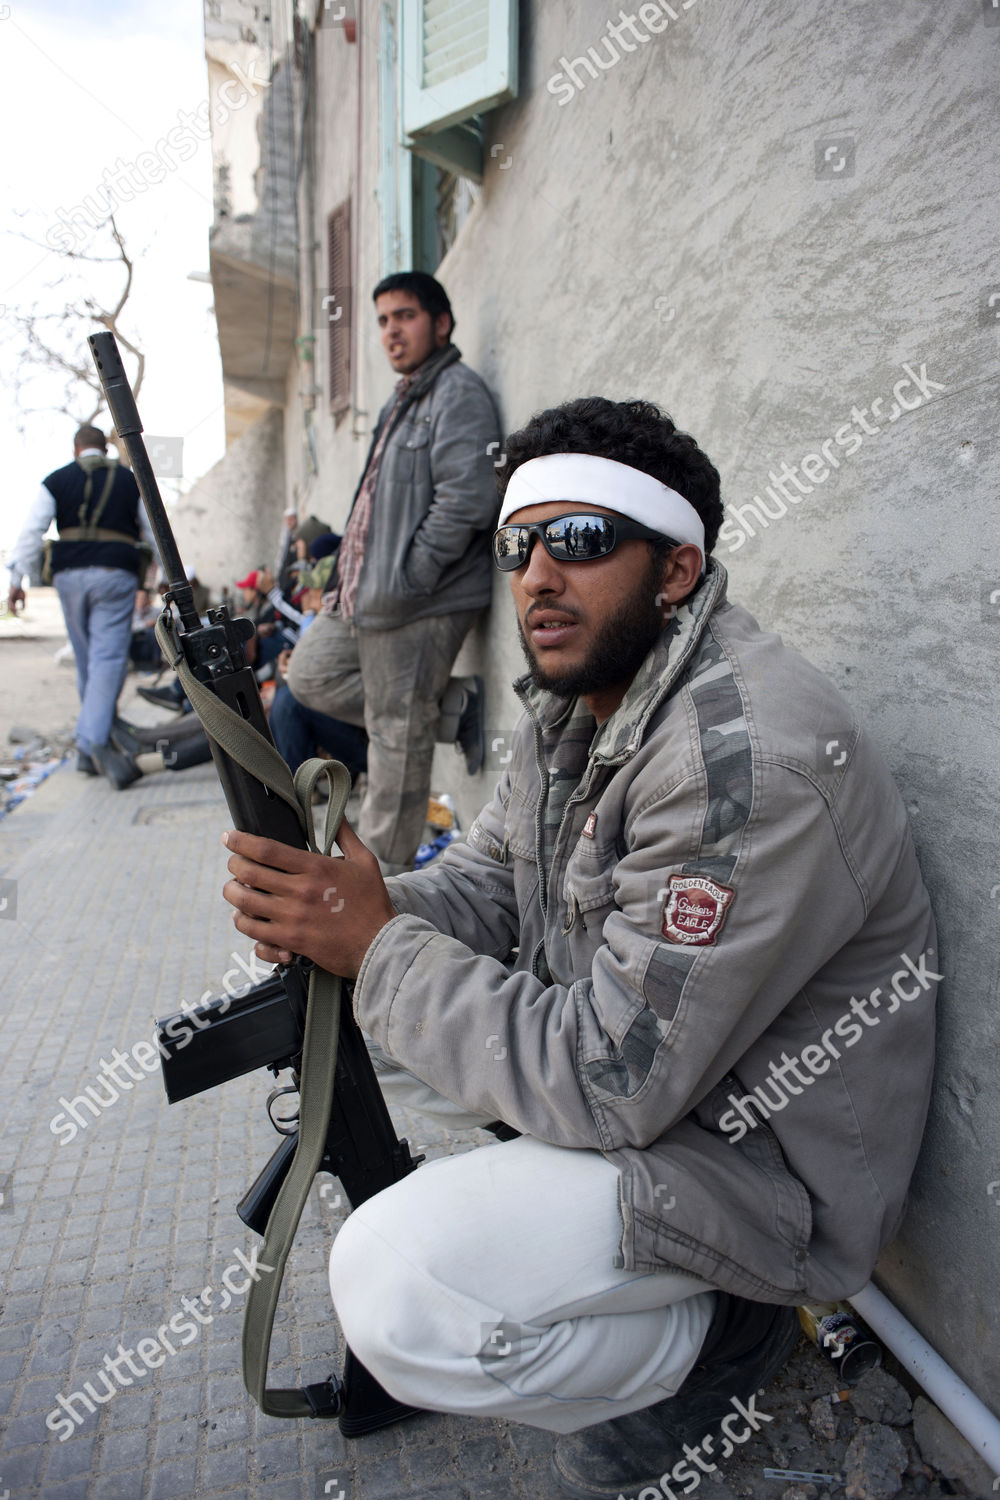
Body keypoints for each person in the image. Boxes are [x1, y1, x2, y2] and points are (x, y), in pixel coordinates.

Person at [220, 398, 937, 1499]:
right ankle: (622, 1269)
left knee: (395, 1282)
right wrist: (345, 910)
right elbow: (490, 883)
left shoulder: (743, 771)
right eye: (520, 544)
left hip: (766, 1177)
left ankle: (715, 1345)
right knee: (363, 1002)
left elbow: (608, 1084)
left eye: (585, 540)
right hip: (666, 1087)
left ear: (677, 570)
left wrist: (379, 945)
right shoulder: (582, 704)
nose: (539, 575)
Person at [284, 270, 499, 875]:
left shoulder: (457, 393)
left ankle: (383, 896)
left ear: (441, 323)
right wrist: (342, 583)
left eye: (404, 316)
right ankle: (448, 706)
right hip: (364, 598)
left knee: (396, 743)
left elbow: (469, 498)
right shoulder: (403, 401)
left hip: (418, 601)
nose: (390, 331)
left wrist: (408, 579)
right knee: (309, 675)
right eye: (381, 321)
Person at [7, 424, 154, 789]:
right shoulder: (128, 479)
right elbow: (153, 528)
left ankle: (90, 750)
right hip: (114, 575)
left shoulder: (56, 480)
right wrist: (165, 575)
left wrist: (15, 582)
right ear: (103, 449)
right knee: (108, 659)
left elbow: (31, 532)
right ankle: (93, 742)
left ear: (76, 449)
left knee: (89, 660)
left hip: (68, 576)